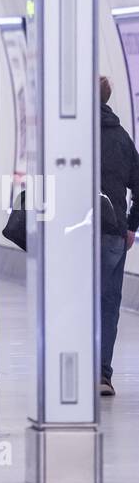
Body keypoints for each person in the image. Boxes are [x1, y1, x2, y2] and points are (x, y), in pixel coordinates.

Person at [100, 75, 139, 396]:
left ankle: (70, 368)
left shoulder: (70, 138)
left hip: (75, 234)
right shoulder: (122, 138)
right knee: (108, 302)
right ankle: (102, 374)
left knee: (72, 301)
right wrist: (131, 226)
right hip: (113, 232)